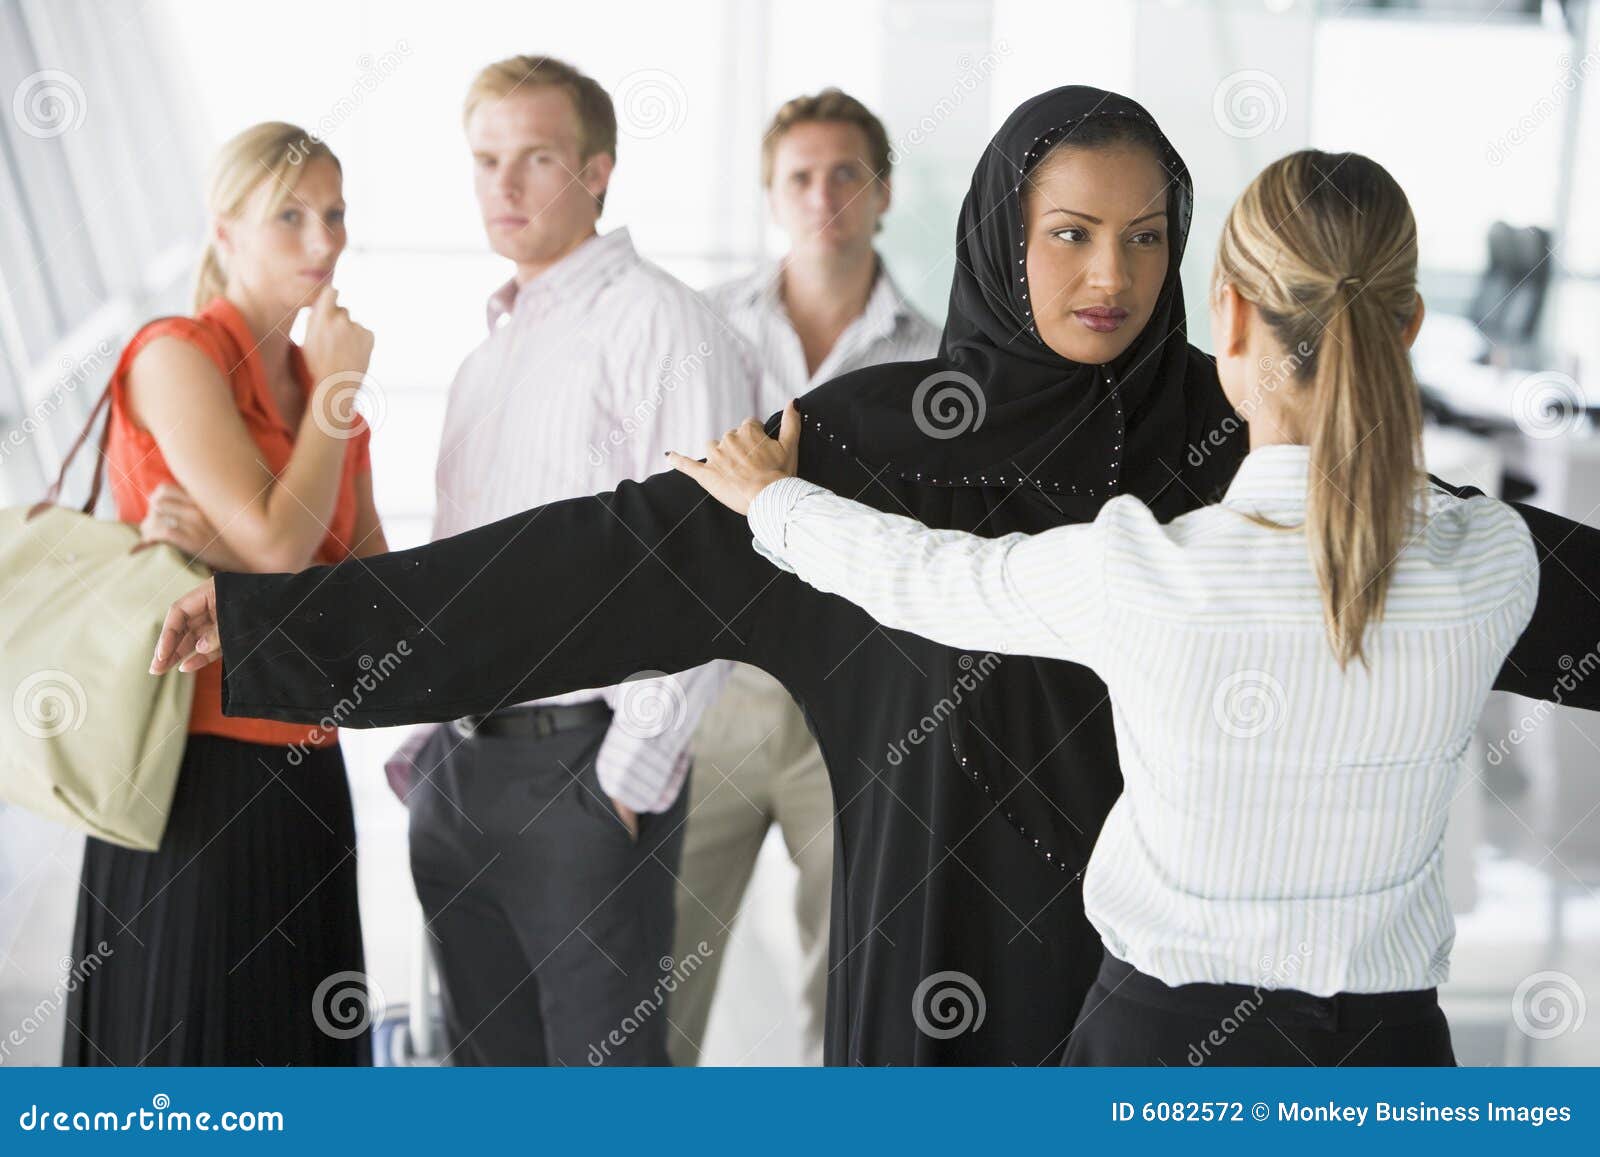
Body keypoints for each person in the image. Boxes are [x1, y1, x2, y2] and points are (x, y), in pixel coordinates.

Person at [150, 88, 1600, 1066]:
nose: (1112, 274)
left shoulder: (1273, 448)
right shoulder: (864, 447)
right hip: (936, 969)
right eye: (1072, 234)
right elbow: (587, 570)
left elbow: (1530, 584)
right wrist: (290, 626)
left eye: (1150, 236)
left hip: (1169, 1014)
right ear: (998, 236)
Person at [671, 150, 1532, 1066]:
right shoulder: (1495, 561)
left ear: (1230, 315)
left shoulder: (1150, 571)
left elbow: (928, 575)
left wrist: (773, 500)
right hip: (1389, 1054)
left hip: (1165, 1048)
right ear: (1409, 327)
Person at [380, 55, 757, 1067]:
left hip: (582, 781)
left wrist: (623, 784)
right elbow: (455, 570)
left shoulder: (668, 327)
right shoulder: (484, 358)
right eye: (486, 160)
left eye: (535, 158)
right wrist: (429, 761)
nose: (502, 186)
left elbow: (714, 569)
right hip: (463, 775)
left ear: (597, 169)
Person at [70, 121, 383, 1065]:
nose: (323, 241)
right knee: (191, 1061)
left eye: (334, 214)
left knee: (295, 1064)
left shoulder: (325, 397)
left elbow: (378, 602)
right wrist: (335, 395)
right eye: (289, 216)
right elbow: (292, 550)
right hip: (188, 773)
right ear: (225, 231)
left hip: (306, 773)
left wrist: (233, 554)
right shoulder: (176, 355)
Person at [672, 88, 940, 1066]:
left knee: (856, 987)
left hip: (867, 702)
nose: (822, 193)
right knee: (659, 975)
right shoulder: (700, 332)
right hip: (718, 691)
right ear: (769, 193)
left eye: (846, 173)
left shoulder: (942, 354)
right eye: (800, 175)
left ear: (882, 193)